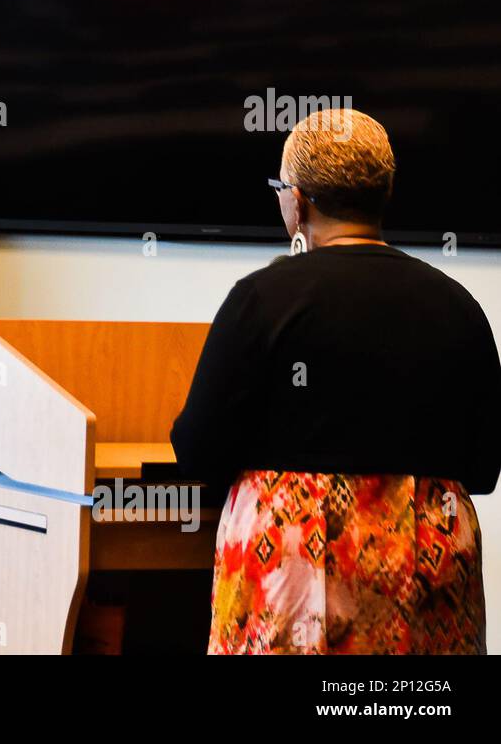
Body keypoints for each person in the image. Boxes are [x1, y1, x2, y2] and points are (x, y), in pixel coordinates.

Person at [171, 108, 500, 655]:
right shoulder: (457, 305)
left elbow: (197, 450)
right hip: (430, 564)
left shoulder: (262, 298)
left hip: (287, 572)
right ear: (383, 195)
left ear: (298, 202)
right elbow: (485, 467)